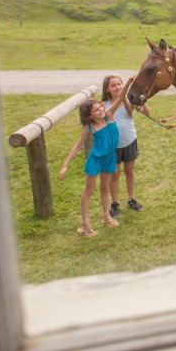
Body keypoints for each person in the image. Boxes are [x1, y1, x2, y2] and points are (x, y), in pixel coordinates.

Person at [59, 78, 132, 237]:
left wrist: (128, 83)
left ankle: (106, 216)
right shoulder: (89, 127)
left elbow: (120, 97)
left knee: (105, 188)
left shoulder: (109, 116)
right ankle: (85, 224)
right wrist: (65, 164)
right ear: (89, 116)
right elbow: (78, 145)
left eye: (100, 107)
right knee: (89, 190)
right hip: (95, 160)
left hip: (109, 158)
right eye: (96, 110)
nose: (101, 110)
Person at [101, 74, 149, 218]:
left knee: (129, 171)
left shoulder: (129, 101)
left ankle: (131, 199)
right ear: (107, 89)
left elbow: (146, 112)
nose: (117, 87)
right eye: (113, 85)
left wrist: (142, 101)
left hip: (129, 141)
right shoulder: (103, 105)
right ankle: (115, 203)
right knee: (114, 175)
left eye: (119, 84)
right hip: (113, 145)